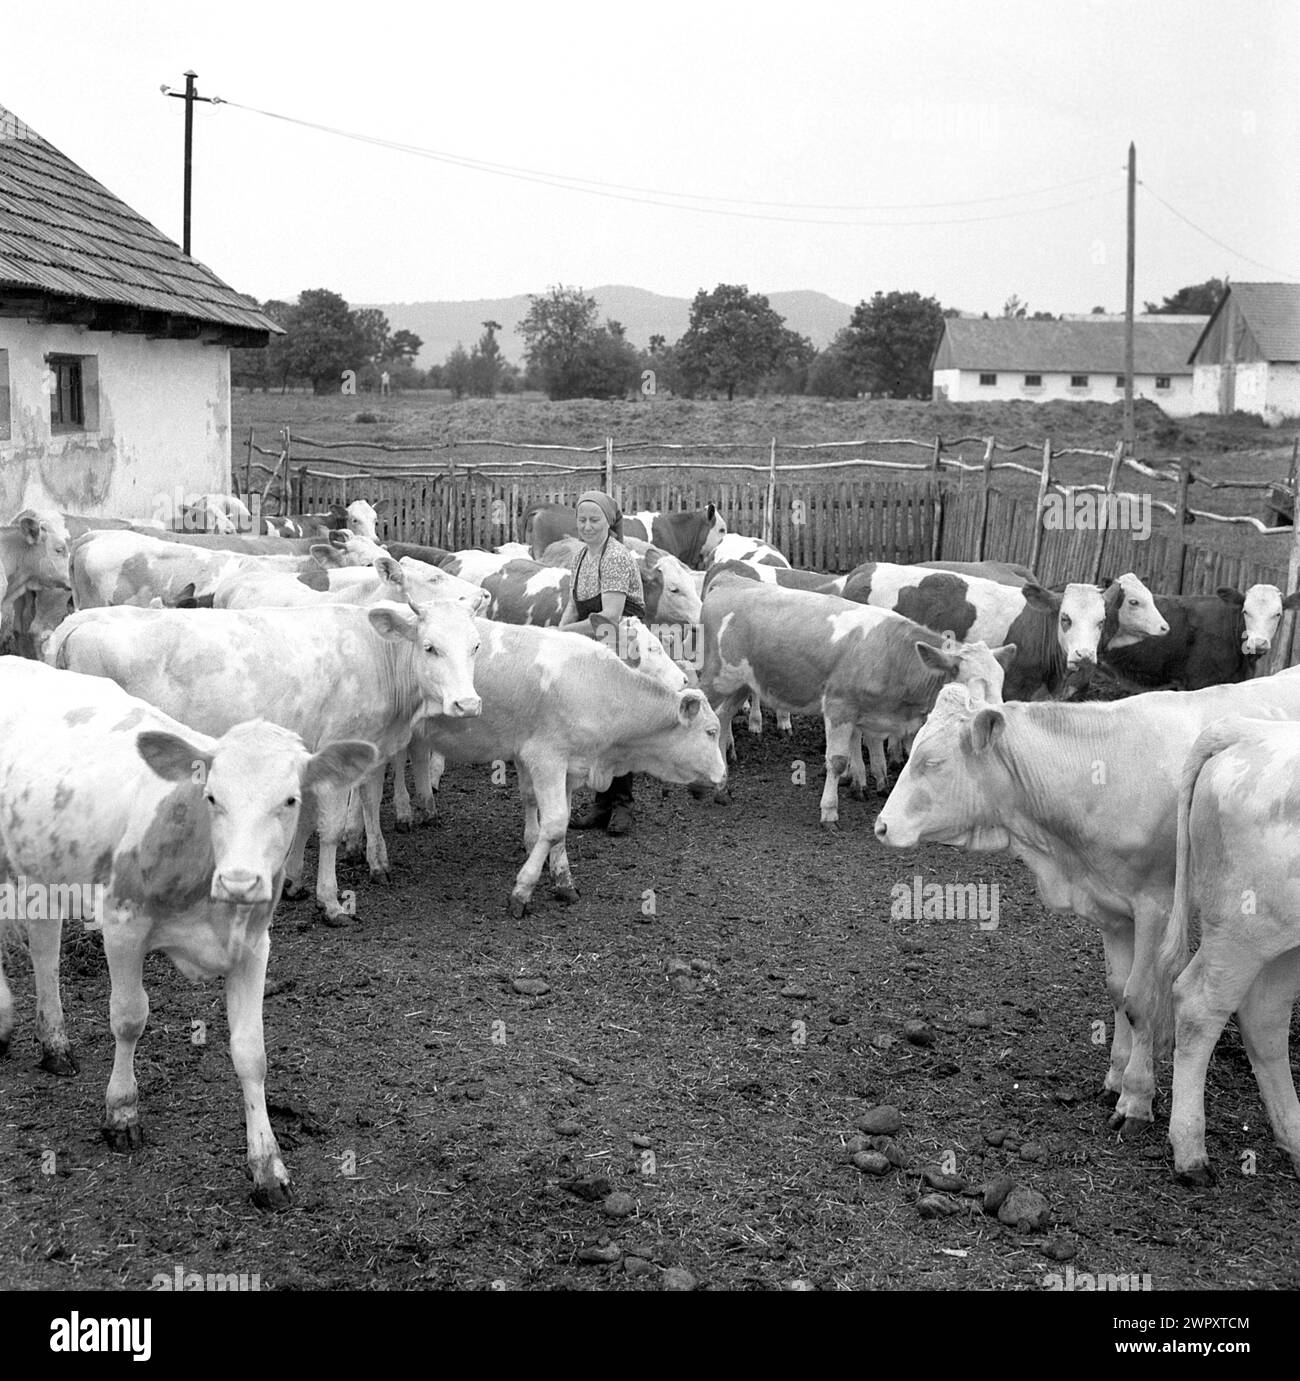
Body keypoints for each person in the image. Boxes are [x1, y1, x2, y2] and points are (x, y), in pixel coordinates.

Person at [560, 490, 646, 836]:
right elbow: (573, 605)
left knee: (618, 723)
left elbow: (609, 617)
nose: (587, 526)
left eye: (594, 520)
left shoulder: (616, 557)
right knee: (596, 723)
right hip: (592, 641)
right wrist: (560, 630)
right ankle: (600, 804)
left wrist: (563, 632)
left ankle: (623, 806)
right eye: (582, 520)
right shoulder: (579, 557)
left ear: (608, 522)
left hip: (621, 640)